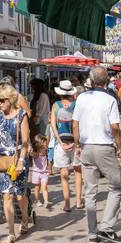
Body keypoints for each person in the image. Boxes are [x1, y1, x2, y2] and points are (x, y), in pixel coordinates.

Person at [73, 66, 121, 243]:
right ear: (107, 81)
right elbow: (115, 128)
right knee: (116, 187)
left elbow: (75, 124)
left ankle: (92, 232)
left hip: (87, 147)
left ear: (92, 80)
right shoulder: (109, 99)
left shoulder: (81, 98)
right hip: (104, 147)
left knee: (90, 192)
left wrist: (77, 144)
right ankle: (107, 227)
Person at [0, 83, 31, 243]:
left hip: (18, 159)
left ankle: (25, 219)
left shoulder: (21, 115)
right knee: (7, 195)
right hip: (4, 159)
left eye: (2, 100)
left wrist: (22, 161)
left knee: (19, 195)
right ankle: (11, 233)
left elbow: (25, 141)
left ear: (10, 99)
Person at [50, 81, 83, 213]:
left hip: (61, 143)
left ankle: (67, 204)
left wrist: (60, 142)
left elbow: (53, 126)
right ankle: (79, 201)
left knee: (64, 173)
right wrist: (76, 143)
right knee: (78, 171)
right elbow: (79, 125)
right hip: (75, 142)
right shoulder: (76, 105)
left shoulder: (55, 106)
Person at [29, 133, 52, 210]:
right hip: (36, 173)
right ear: (38, 145)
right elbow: (31, 154)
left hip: (44, 173)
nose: (46, 144)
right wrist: (30, 150)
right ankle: (37, 200)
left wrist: (49, 168)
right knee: (37, 188)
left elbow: (48, 160)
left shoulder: (46, 151)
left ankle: (46, 201)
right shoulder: (36, 153)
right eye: (44, 143)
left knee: (44, 187)